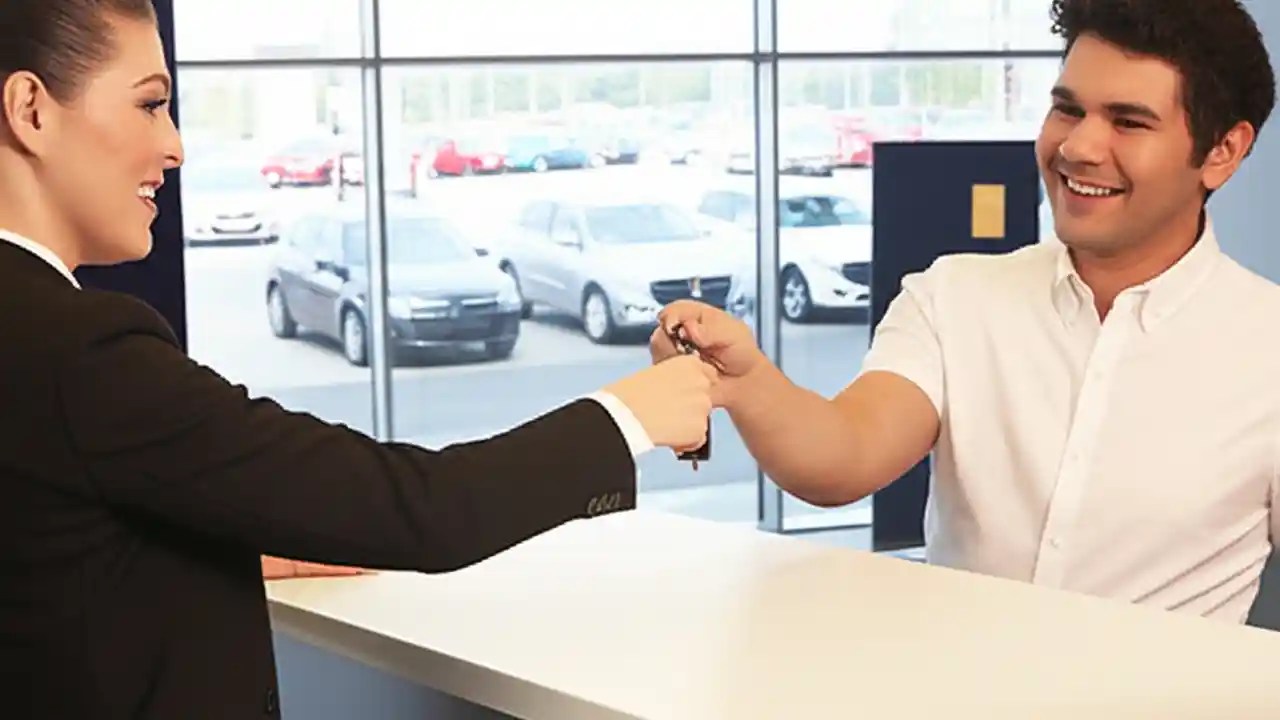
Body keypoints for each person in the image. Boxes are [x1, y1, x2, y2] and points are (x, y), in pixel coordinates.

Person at [0, 1, 719, 717]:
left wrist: (228, 540)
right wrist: (637, 413)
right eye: (151, 105)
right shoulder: (85, 352)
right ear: (31, 109)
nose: (176, 147)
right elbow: (427, 511)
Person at [656, 0, 1280, 625]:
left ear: (1223, 151)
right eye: (1068, 109)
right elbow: (843, 454)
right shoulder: (954, 296)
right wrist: (745, 381)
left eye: (1129, 123)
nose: (1080, 146)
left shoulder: (1267, 345)